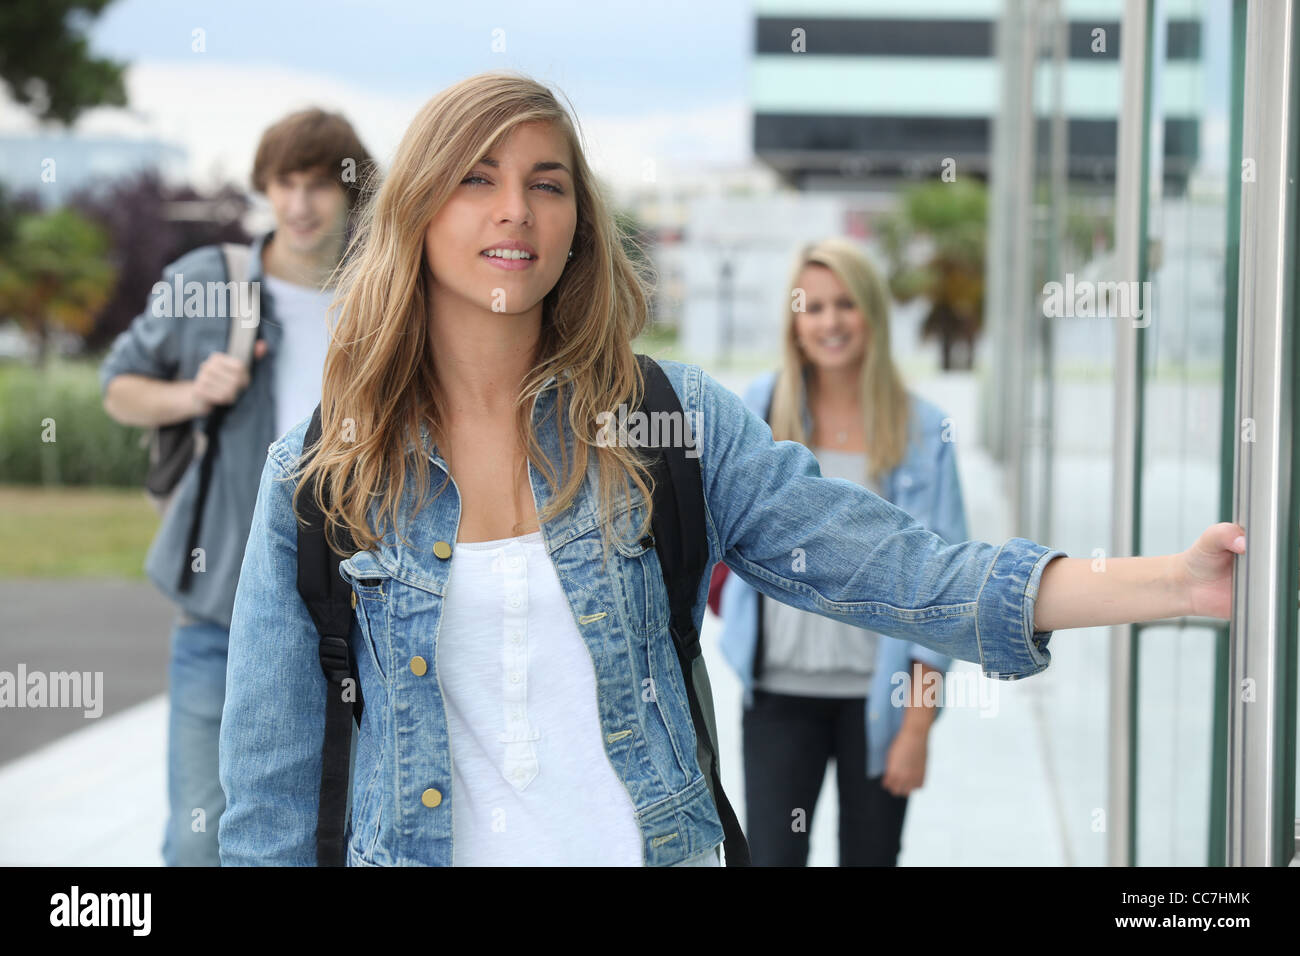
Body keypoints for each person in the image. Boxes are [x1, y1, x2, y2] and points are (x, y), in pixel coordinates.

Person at [216, 71, 1246, 867]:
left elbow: (905, 571)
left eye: (547, 182)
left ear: (578, 223)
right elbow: (268, 788)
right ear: (417, 213)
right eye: (475, 178)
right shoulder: (322, 474)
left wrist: (1175, 583)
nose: (513, 211)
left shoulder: (669, 422)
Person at [99, 108, 375, 866]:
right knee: (199, 839)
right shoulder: (209, 283)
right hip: (219, 608)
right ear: (265, 187)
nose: (301, 203)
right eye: (286, 182)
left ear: (351, 193)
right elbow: (118, 386)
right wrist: (192, 395)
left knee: (350, 836)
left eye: (321, 184)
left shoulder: (387, 296)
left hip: (355, 611)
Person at [716, 237, 963, 866]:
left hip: (877, 702)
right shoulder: (760, 409)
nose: (829, 322)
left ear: (872, 314)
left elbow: (947, 590)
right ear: (795, 323)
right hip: (777, 695)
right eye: (813, 307)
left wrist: (916, 728)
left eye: (845, 305)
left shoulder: (922, 430)